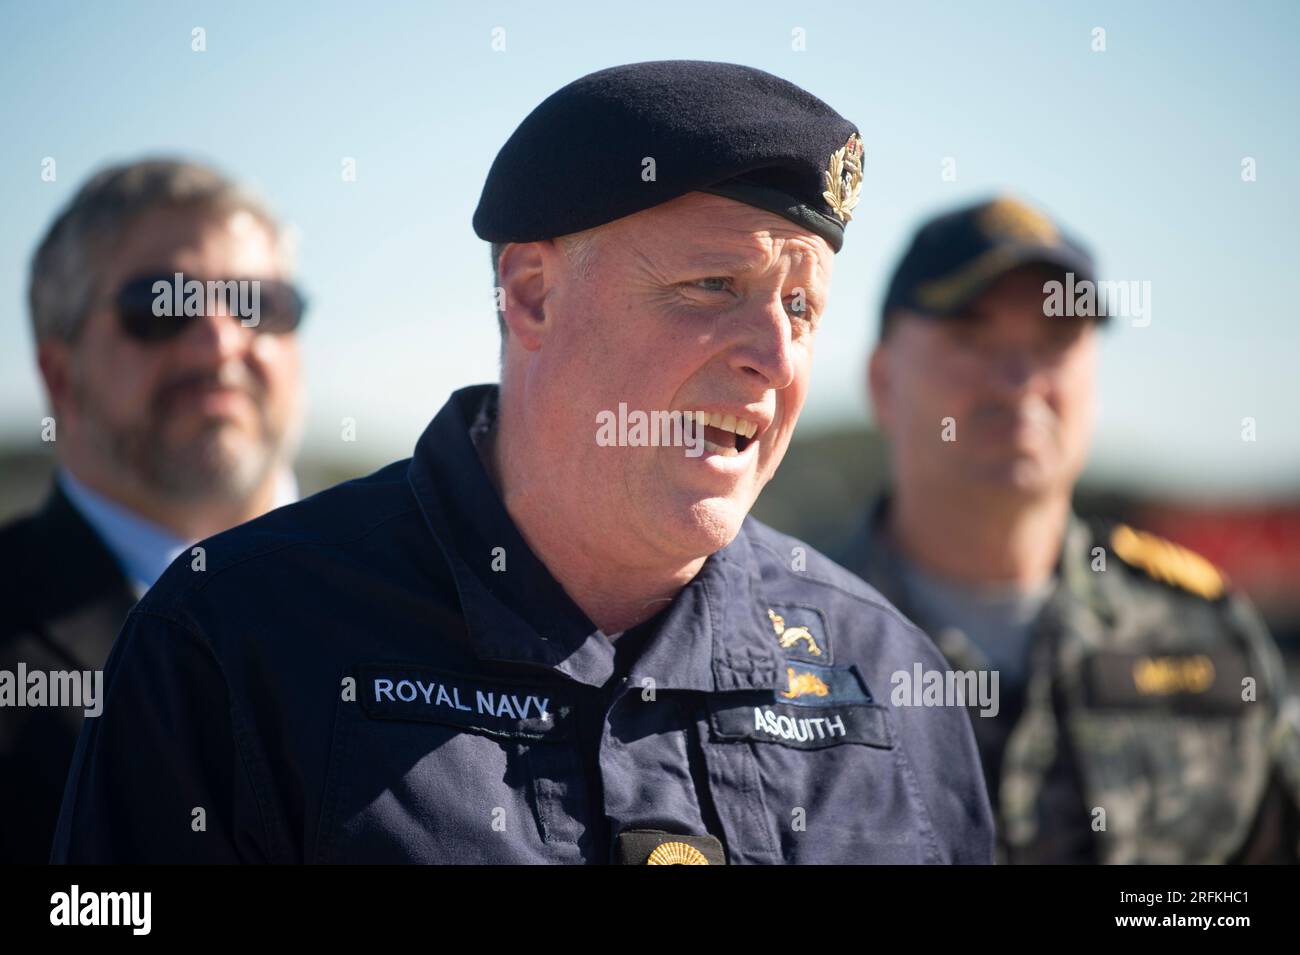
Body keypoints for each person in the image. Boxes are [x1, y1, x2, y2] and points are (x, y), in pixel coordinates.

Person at [52, 62, 993, 864]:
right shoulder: (234, 641)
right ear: (532, 295)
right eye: (715, 285)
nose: (775, 356)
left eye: (801, 309)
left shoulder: (885, 673)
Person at [837, 195, 1300, 863]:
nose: (1019, 380)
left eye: (1056, 341)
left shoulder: (1207, 632)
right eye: (972, 336)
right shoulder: (787, 638)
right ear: (883, 380)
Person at [0, 158, 305, 864]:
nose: (222, 340)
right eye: (162, 305)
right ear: (59, 374)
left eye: (259, 305)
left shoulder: (441, 604)